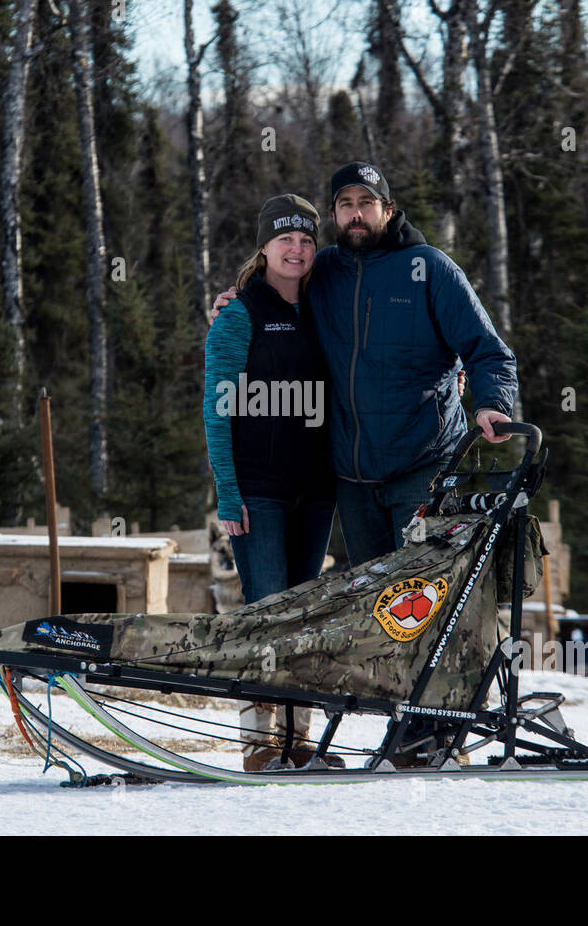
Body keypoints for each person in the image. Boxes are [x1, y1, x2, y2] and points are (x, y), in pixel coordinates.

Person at [214, 161, 518, 569]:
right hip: (353, 484)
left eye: (367, 203)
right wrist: (232, 308)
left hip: (424, 468)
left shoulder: (430, 269)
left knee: (425, 600)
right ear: (335, 214)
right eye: (346, 204)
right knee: (374, 613)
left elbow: (487, 348)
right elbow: (276, 304)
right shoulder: (321, 271)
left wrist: (491, 402)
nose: (356, 213)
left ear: (387, 210)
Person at [202, 193, 342, 772]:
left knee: (304, 615)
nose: (297, 248)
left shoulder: (326, 307)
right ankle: (259, 744)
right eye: (285, 238)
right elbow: (217, 409)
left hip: (317, 491)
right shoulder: (240, 313)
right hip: (259, 489)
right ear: (263, 247)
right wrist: (228, 493)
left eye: (307, 239)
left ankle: (298, 740)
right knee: (267, 613)